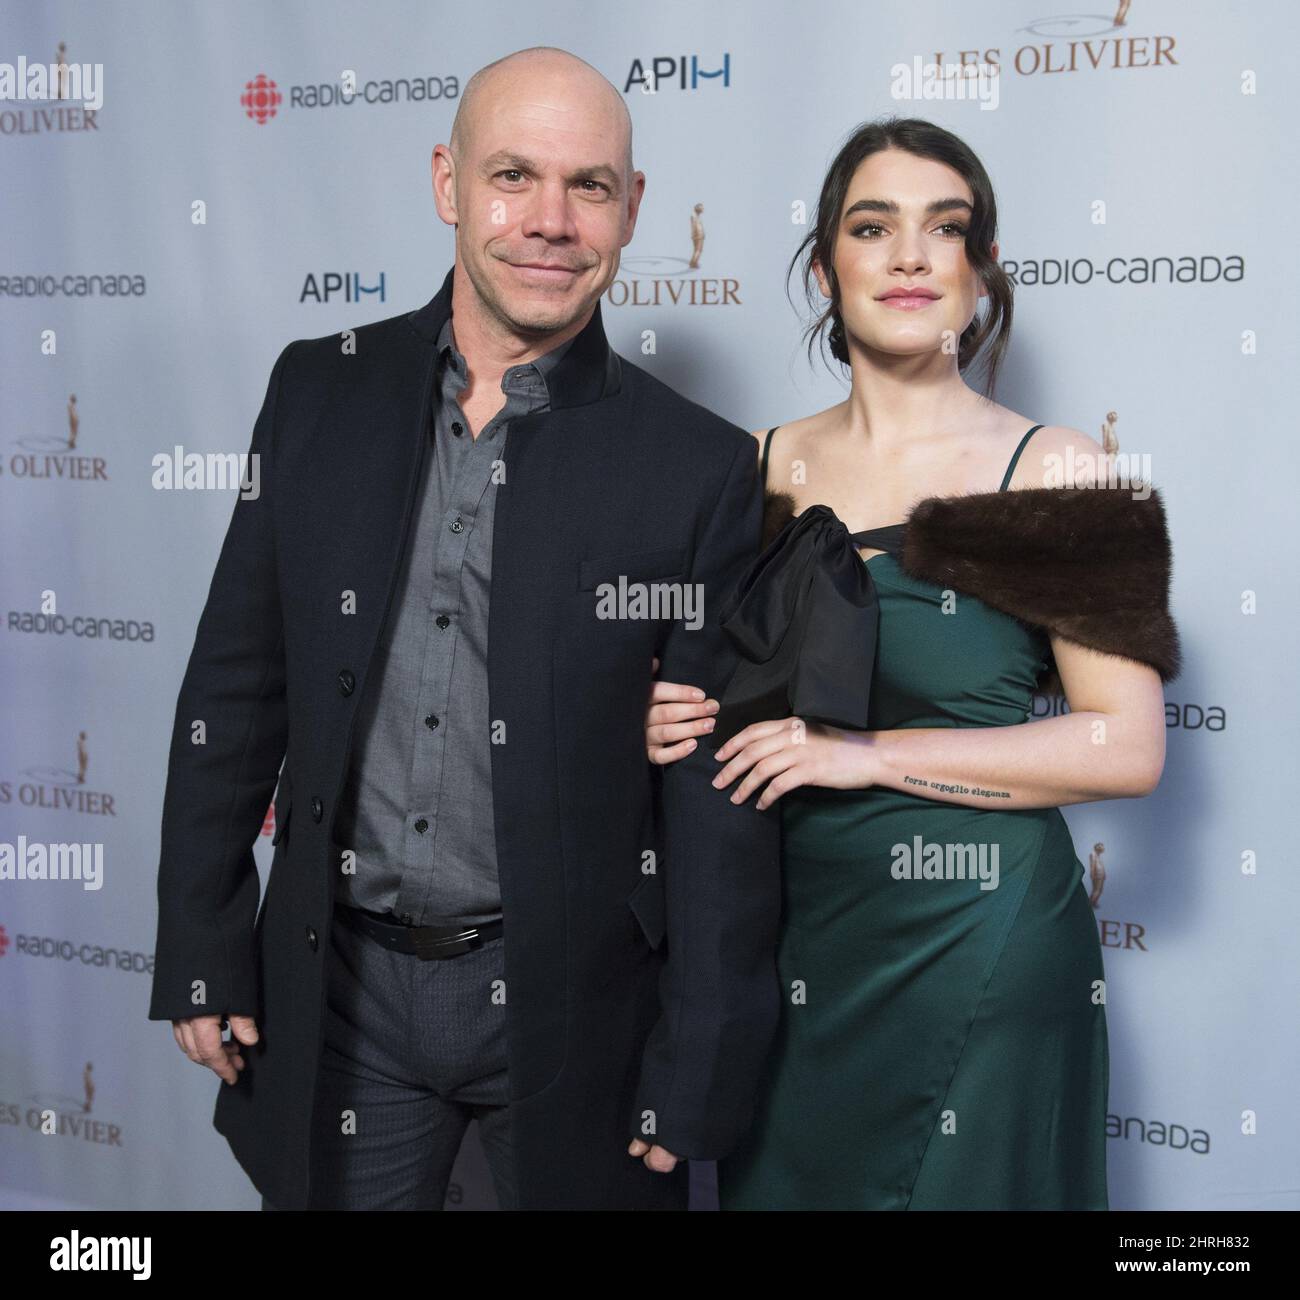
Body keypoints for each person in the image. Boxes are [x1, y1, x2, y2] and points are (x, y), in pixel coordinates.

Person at [148, 45, 780, 1211]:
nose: (549, 221)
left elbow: (712, 798)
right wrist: (202, 934)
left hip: (569, 1009)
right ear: (448, 184)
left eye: (589, 186)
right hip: (343, 995)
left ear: (632, 208)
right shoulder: (318, 389)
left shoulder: (697, 468)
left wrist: (703, 1053)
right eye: (512, 177)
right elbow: (236, 684)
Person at [645, 117, 1180, 1210]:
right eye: (871, 224)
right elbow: (722, 700)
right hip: (795, 956)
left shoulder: (1057, 468)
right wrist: (670, 718)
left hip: (979, 943)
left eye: (947, 229)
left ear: (979, 276)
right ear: (824, 265)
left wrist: (868, 756)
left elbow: (1123, 745)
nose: (908, 255)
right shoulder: (756, 467)